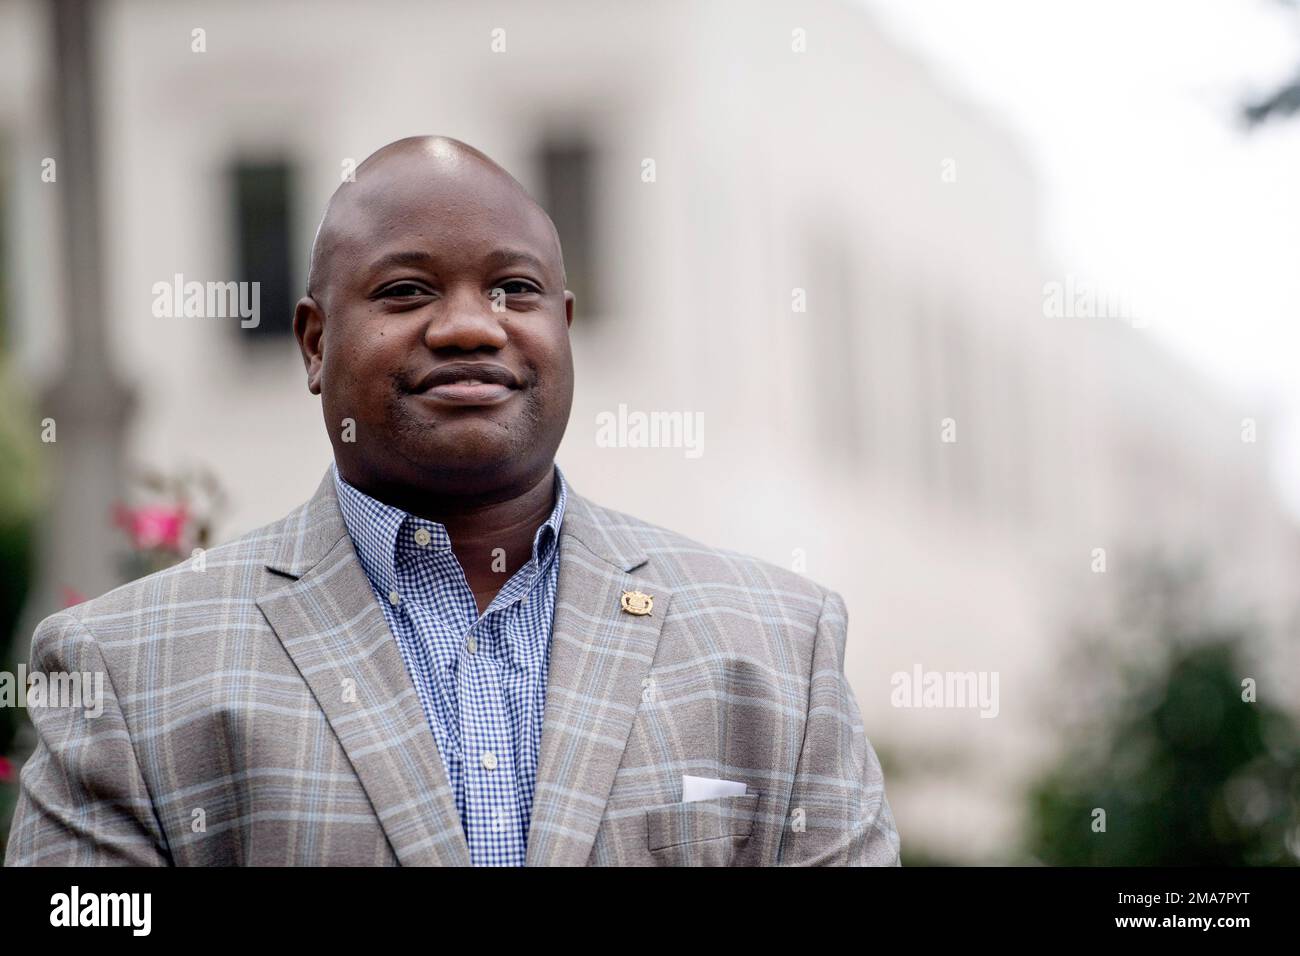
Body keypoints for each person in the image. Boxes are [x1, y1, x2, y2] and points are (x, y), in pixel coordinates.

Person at [5, 136, 900, 866]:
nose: (473, 325)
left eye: (516, 288)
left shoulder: (779, 647)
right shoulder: (129, 671)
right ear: (315, 344)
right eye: (406, 291)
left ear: (564, 326)